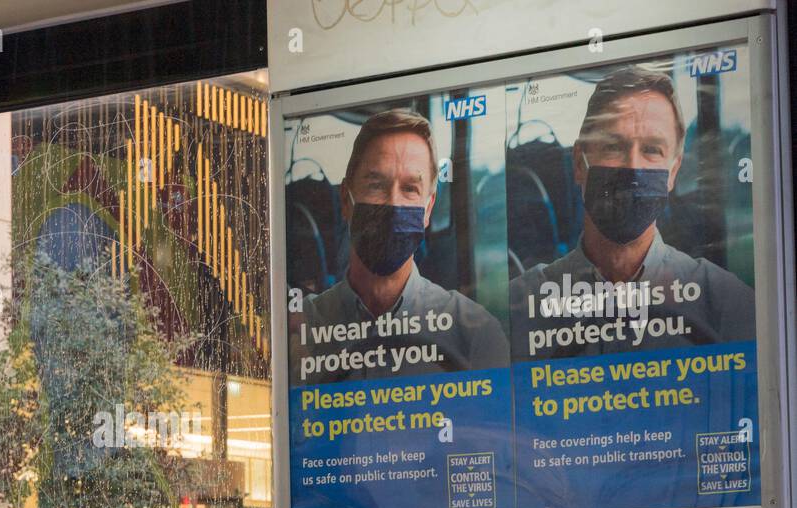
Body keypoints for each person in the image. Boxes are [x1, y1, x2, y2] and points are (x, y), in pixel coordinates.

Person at [509, 65, 755, 360]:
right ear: (579, 163)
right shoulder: (520, 307)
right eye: (613, 146)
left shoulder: (727, 305)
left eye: (652, 149)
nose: (632, 167)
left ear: (673, 172)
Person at [291, 108, 508, 385]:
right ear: (346, 200)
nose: (393, 204)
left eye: (410, 189)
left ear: (428, 209)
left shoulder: (475, 334)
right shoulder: (302, 329)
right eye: (376, 184)